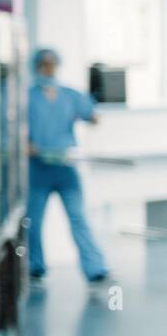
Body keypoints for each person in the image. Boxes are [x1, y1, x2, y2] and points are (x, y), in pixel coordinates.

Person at [25, 47, 111, 286]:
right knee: (33, 220)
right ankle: (35, 267)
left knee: (78, 218)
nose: (48, 68)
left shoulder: (70, 95)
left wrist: (94, 113)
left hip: (66, 169)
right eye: (44, 64)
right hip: (39, 169)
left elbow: (90, 114)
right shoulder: (27, 96)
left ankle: (95, 268)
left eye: (52, 64)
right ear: (37, 66)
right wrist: (26, 144)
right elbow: (13, 126)